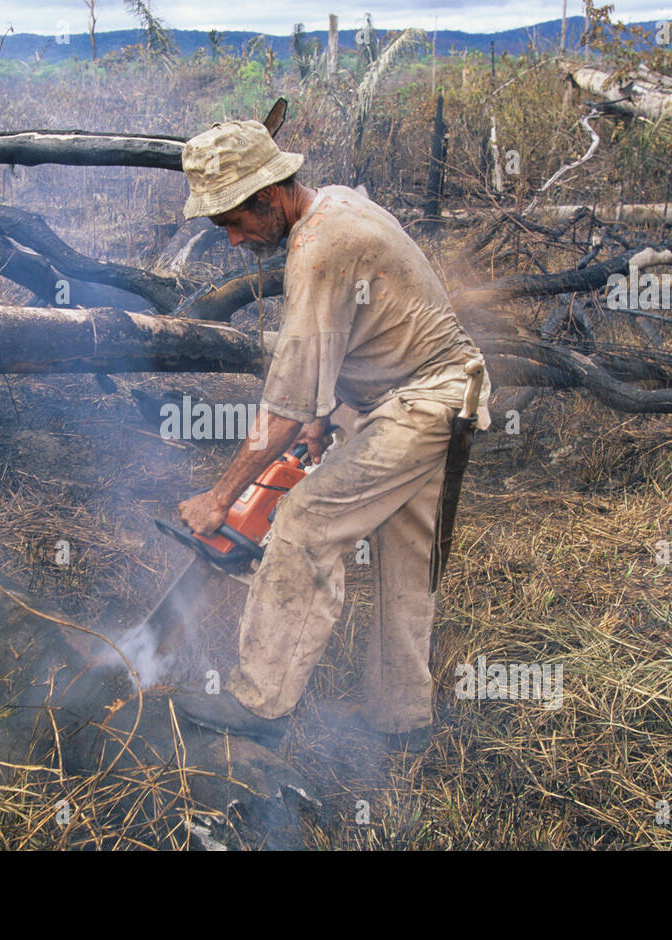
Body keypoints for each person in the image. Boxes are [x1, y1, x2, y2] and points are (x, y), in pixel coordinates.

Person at [170, 120, 492, 749]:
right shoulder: (337, 201)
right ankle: (401, 720)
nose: (233, 240)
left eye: (234, 222)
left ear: (270, 196)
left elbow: (283, 403)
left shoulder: (320, 249)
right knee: (407, 559)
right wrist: (331, 411)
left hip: (424, 401)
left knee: (305, 523)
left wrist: (220, 499)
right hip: (441, 390)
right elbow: (365, 329)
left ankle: (259, 703)